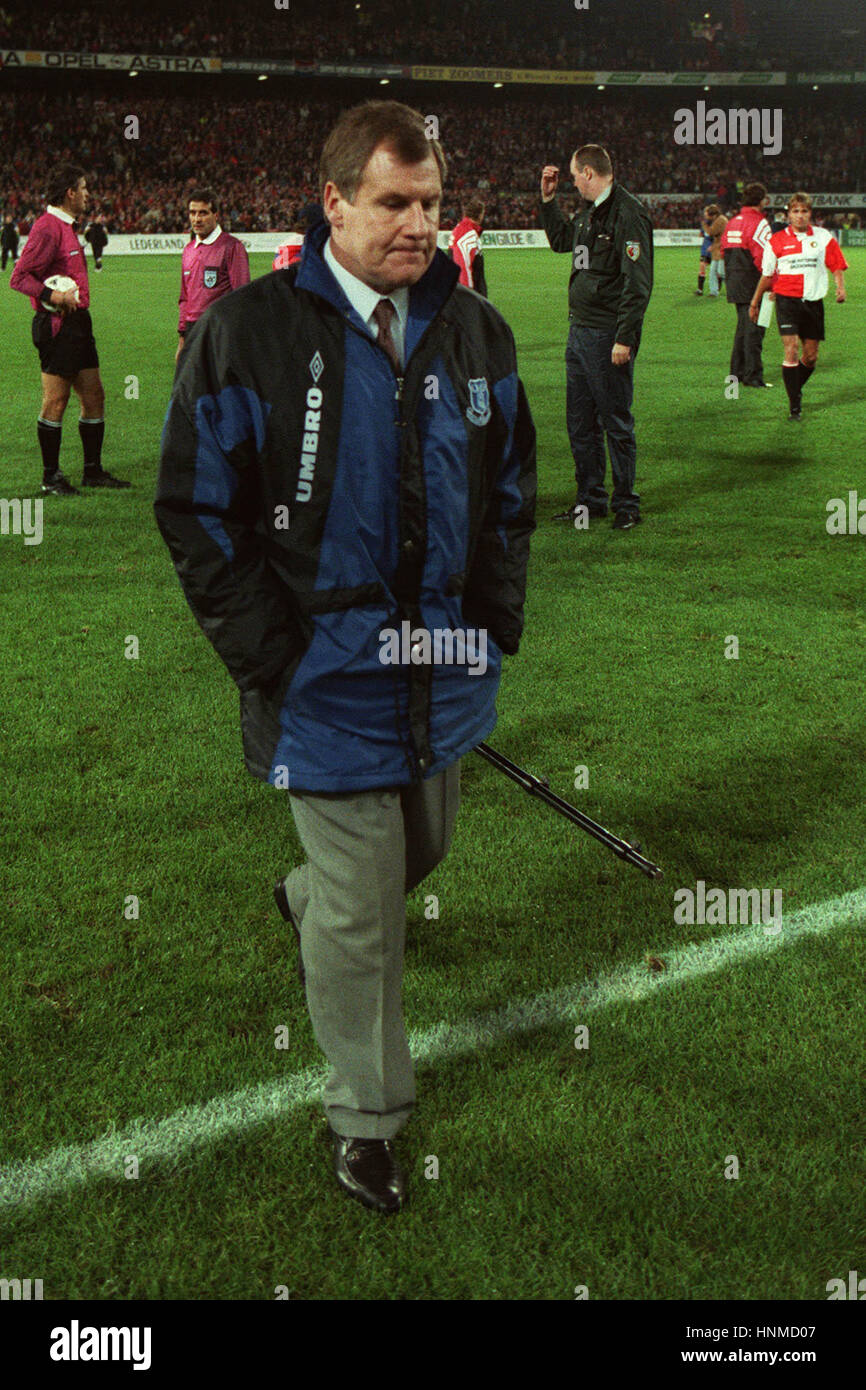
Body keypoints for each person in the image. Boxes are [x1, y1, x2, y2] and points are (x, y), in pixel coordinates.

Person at [155, 101, 537, 1215]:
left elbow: (510, 494)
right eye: (392, 202)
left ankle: (305, 896)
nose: (418, 223)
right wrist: (271, 655)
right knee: (367, 916)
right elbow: (193, 507)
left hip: (442, 673)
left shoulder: (474, 330)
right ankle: (366, 1118)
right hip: (320, 687)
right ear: (334, 203)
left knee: (421, 849)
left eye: (430, 202)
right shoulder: (250, 330)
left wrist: (494, 621)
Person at [540, 143, 653, 530]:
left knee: (615, 422)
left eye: (573, 176)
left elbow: (637, 284)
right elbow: (560, 241)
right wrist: (548, 200)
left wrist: (625, 338)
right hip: (579, 331)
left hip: (607, 336)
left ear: (589, 173)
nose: (573, 182)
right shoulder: (590, 215)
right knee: (580, 423)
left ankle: (626, 505)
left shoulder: (628, 214)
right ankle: (590, 502)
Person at [10, 164, 128, 495]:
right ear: (70, 193)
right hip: (56, 325)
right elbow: (19, 277)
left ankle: (93, 471)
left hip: (79, 323)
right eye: (84, 187)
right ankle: (51, 477)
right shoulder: (47, 227)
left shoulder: (68, 227)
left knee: (94, 395)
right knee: (56, 400)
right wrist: (54, 295)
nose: (89, 193)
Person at [749, 191, 848, 421]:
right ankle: (795, 405)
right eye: (796, 211)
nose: (800, 216)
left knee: (811, 356)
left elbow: (836, 264)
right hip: (786, 300)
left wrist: (840, 287)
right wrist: (755, 302)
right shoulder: (777, 240)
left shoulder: (823, 236)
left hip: (813, 302)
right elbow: (766, 275)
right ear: (788, 214)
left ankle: (794, 387)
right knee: (791, 349)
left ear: (810, 213)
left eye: (804, 211)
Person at [176, 189, 250, 362]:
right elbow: (184, 297)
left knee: (218, 387)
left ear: (216, 215)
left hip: (218, 330)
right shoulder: (188, 250)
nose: (197, 219)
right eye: (192, 213)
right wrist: (182, 336)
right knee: (194, 388)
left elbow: (241, 295)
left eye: (203, 213)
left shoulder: (232, 247)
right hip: (192, 330)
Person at [720, 182, 773, 389]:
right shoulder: (759, 223)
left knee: (743, 328)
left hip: (734, 280)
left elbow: (724, 249)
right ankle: (753, 376)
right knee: (754, 330)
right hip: (753, 282)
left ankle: (737, 372)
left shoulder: (733, 221)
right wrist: (770, 284)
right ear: (762, 201)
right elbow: (764, 258)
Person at [449, 195, 487, 297]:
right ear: (479, 215)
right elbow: (463, 264)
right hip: (469, 294)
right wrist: (468, 294)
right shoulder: (468, 233)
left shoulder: (460, 229)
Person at [703, 204, 727, 298]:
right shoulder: (719, 219)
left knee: (721, 272)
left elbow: (711, 232)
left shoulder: (720, 221)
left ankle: (734, 288)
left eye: (706, 213)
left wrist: (704, 225)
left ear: (712, 214)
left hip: (721, 249)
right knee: (713, 271)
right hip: (717, 248)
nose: (705, 216)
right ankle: (713, 292)